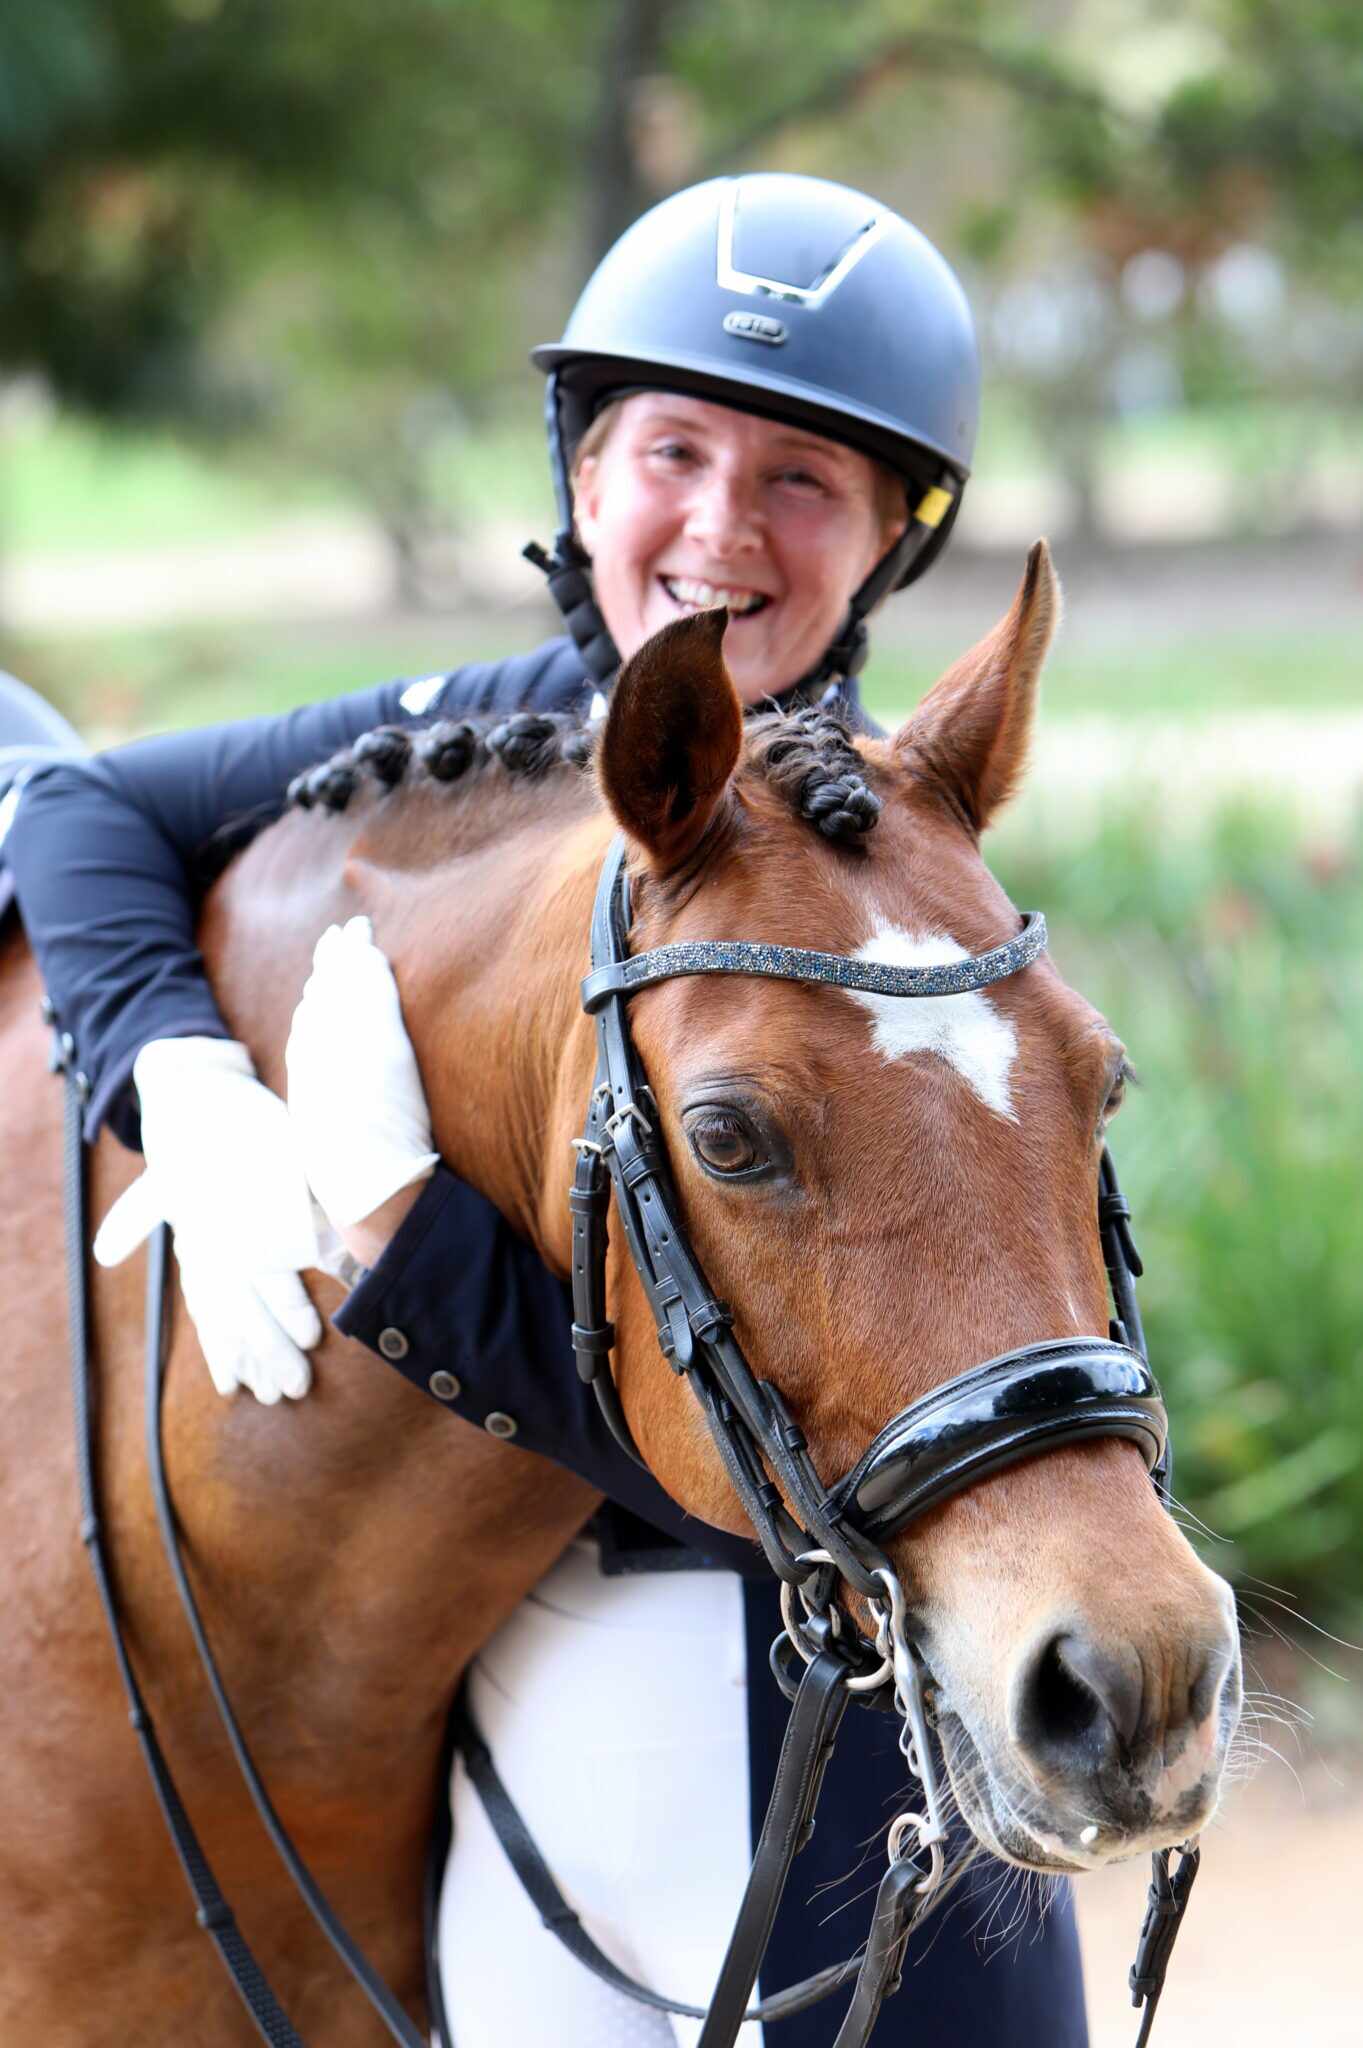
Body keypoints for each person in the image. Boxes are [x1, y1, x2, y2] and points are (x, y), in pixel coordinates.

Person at [3, 174, 1088, 2045]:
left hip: (757, 1578)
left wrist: (403, 1246)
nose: (719, 528)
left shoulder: (892, 862)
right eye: (671, 452)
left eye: (801, 483)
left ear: (893, 544)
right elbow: (84, 809)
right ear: (585, 478)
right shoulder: (468, 748)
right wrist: (169, 1070)